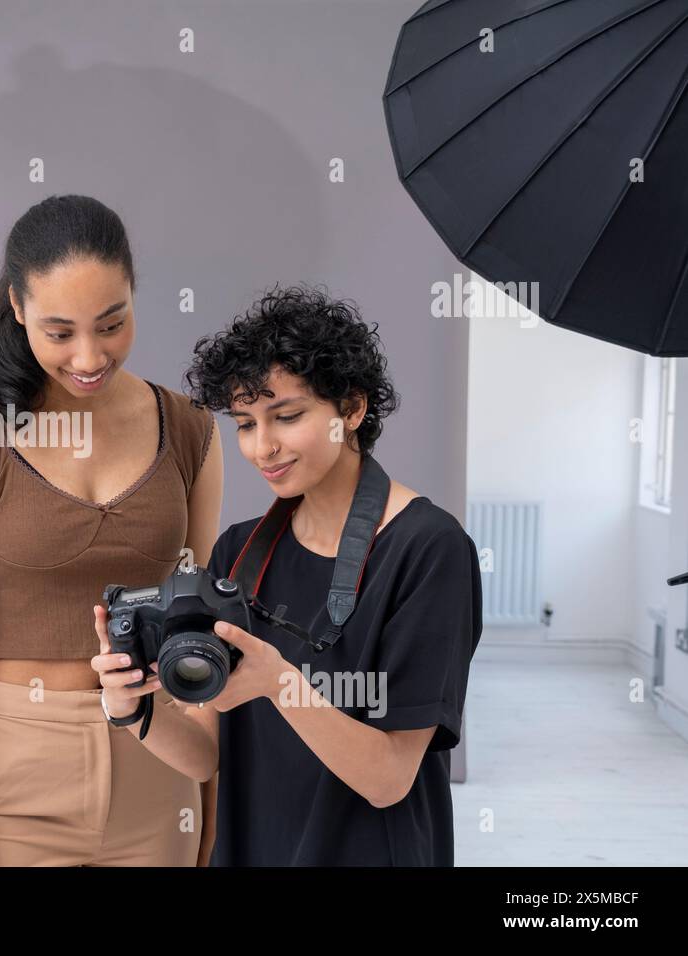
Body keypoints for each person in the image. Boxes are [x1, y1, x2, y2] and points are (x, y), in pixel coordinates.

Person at [95, 285, 482, 865]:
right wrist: (129, 709)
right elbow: (206, 754)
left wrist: (280, 683)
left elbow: (390, 778)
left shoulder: (430, 549)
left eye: (288, 416)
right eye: (246, 423)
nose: (263, 447)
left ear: (351, 409)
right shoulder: (240, 551)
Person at [0, 195, 224, 866]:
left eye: (111, 324)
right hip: (17, 780)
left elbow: (202, 629)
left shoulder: (192, 431)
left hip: (157, 757)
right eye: (60, 332)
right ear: (18, 309)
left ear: (134, 294)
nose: (89, 355)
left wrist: (208, 803)